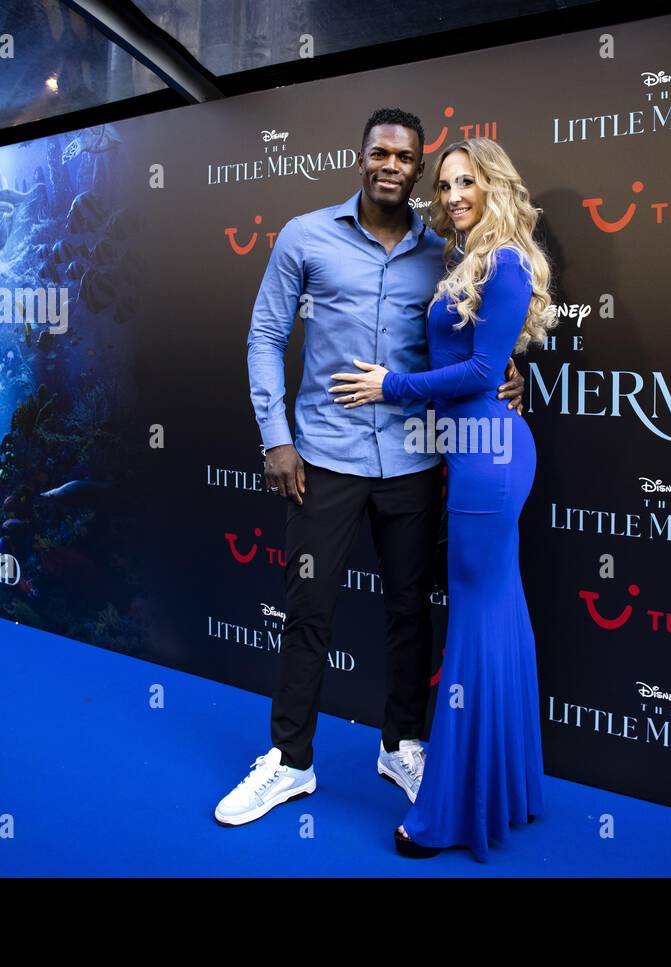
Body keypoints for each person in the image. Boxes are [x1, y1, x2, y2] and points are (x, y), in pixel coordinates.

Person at [216, 109, 526, 826]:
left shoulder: (445, 253)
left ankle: (402, 744)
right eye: (379, 152)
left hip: (415, 460)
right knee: (309, 611)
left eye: (405, 156)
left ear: (418, 170)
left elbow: (478, 335)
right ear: (361, 158)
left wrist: (509, 375)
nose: (391, 164)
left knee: (410, 610)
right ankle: (290, 763)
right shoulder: (305, 236)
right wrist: (275, 436)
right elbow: (264, 335)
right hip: (322, 458)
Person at [329, 137, 560, 859]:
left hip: (489, 460)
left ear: (495, 186)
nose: (454, 194)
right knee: (497, 617)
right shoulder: (471, 262)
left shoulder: (508, 261)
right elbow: (488, 364)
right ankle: (508, 787)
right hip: (478, 453)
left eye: (469, 181)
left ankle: (450, 812)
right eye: (448, 184)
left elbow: (484, 368)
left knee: (474, 628)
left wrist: (387, 386)